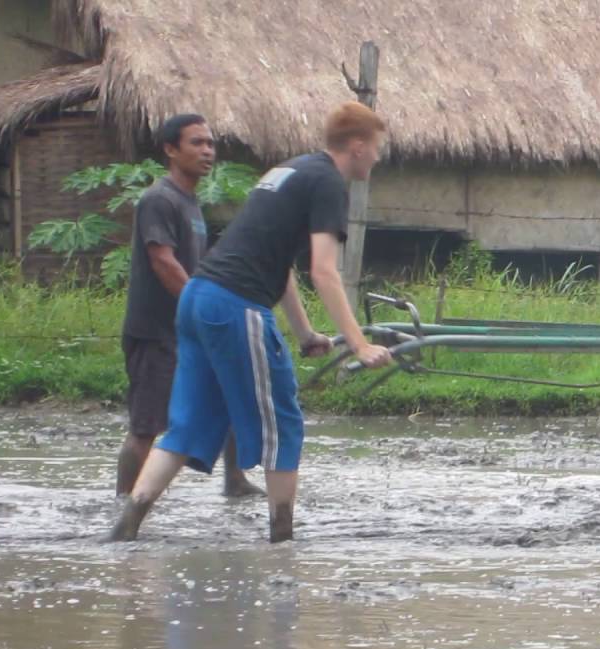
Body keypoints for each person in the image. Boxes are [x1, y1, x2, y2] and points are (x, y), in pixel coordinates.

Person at [108, 101, 393, 543]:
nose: (377, 158)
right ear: (357, 147)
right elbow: (324, 271)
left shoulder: (292, 171)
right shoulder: (328, 184)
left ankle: (129, 521)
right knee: (283, 421)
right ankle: (283, 539)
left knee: (185, 427)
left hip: (198, 299)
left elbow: (280, 266)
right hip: (234, 306)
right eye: (376, 149)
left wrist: (303, 333)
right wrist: (359, 344)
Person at [117, 114, 263, 499]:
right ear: (170, 149)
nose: (207, 151)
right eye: (196, 143)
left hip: (188, 326)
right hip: (156, 331)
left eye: (210, 144)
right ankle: (123, 501)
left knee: (231, 392)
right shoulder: (159, 199)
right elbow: (163, 261)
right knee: (147, 425)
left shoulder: (189, 201)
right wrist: (201, 307)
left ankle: (234, 480)